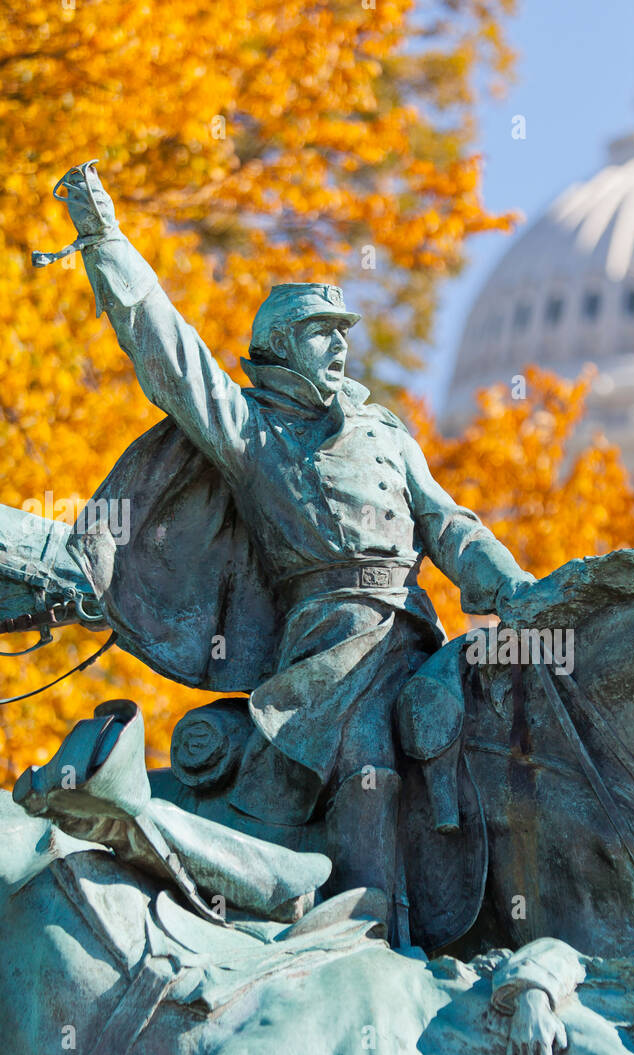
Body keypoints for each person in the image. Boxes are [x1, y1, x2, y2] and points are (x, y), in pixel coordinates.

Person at [52, 162, 535, 935]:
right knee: (370, 774)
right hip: (329, 648)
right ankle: (373, 934)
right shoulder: (253, 433)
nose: (340, 352)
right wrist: (104, 238)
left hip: (414, 633)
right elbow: (166, 353)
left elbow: (447, 523)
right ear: (280, 346)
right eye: (321, 336)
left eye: (343, 337)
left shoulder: (384, 430)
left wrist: (513, 586)